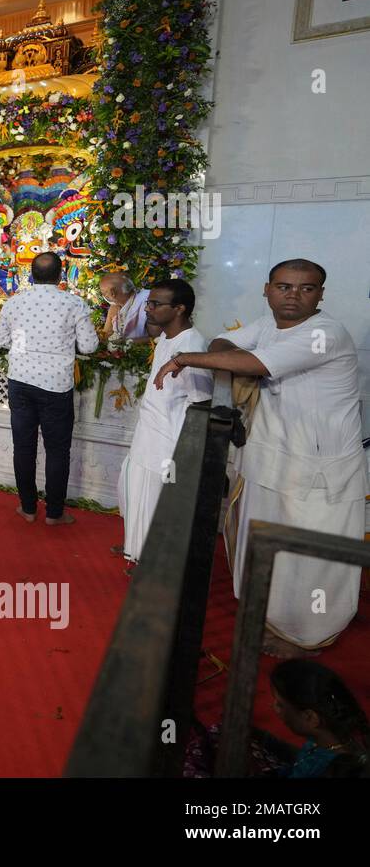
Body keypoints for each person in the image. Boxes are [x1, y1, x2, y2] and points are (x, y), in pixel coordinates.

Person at [153, 259, 366, 657]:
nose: (293, 295)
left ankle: (309, 636)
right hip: (272, 459)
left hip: (318, 467)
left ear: (321, 294)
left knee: (309, 556)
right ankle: (273, 617)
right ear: (267, 289)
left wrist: (185, 359)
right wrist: (224, 355)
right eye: (284, 286)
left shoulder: (325, 333)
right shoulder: (268, 325)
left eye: (306, 288)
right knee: (267, 546)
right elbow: (221, 342)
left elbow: (253, 363)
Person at [0, 251, 98, 525]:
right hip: (55, 386)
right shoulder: (73, 303)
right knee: (57, 450)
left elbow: (1, 338)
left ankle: (27, 509)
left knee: (23, 447)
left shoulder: (15, 302)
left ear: (30, 275)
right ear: (61, 275)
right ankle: (54, 513)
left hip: (20, 381)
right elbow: (88, 346)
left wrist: (25, 346)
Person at [115, 280, 212, 565]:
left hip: (167, 443)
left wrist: (184, 452)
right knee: (134, 495)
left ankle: (153, 563)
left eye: (156, 304)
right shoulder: (166, 337)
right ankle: (136, 552)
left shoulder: (192, 344)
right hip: (149, 435)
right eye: (148, 303)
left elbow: (201, 401)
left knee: (156, 505)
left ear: (179, 308)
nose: (149, 309)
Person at [185, 660, 370, 778]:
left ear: (309, 717)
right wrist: (260, 735)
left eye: (280, 704)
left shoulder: (334, 768)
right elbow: (300, 757)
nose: (274, 707)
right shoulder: (332, 740)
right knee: (218, 735)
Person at [99, 272, 151, 343]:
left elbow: (158, 337)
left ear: (112, 293)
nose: (104, 296)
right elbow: (106, 335)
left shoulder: (147, 300)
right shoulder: (115, 307)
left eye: (103, 293)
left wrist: (126, 342)